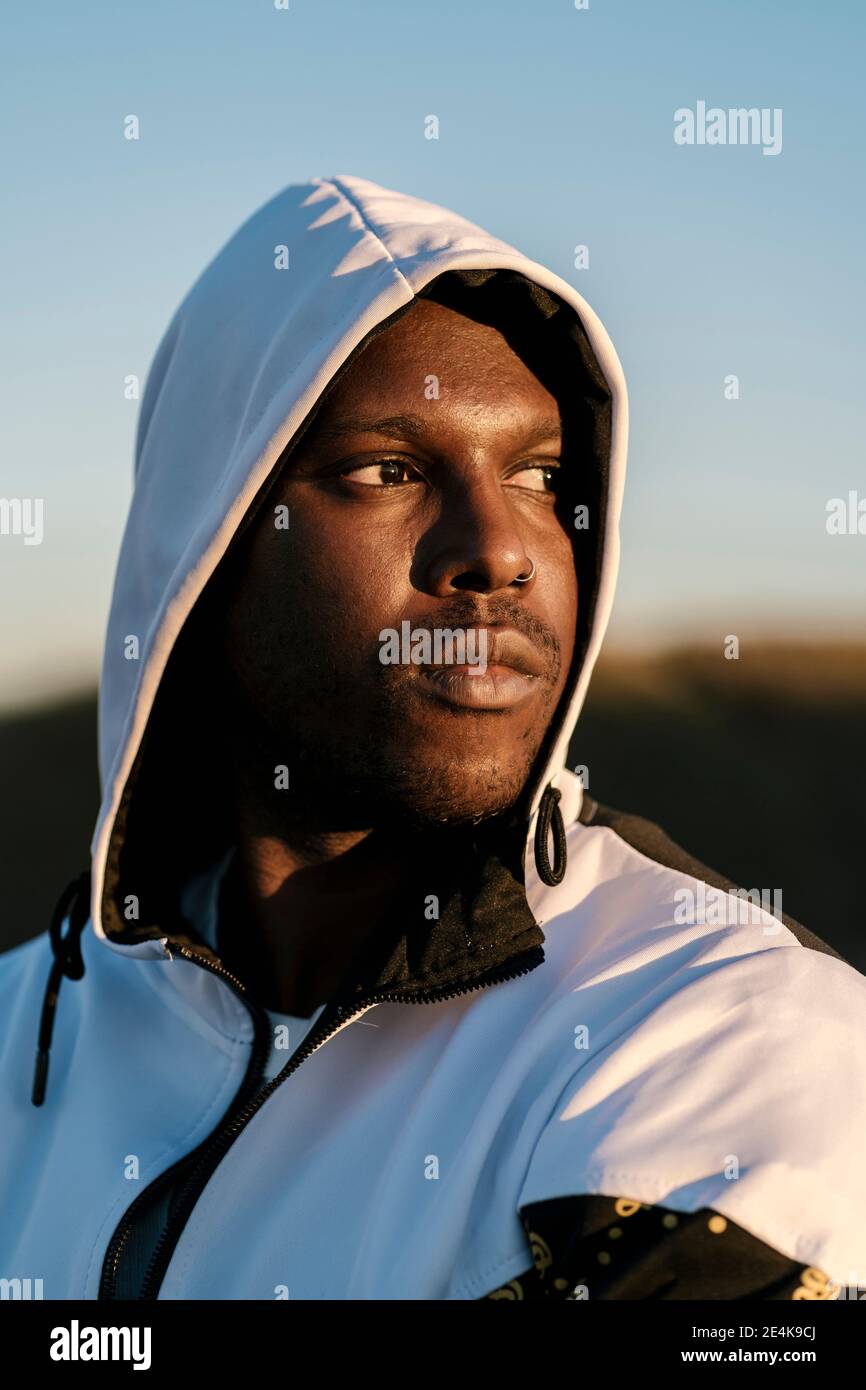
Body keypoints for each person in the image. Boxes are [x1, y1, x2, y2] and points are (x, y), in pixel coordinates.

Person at [1, 174, 863, 1301]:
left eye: (539, 477)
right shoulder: (29, 1028)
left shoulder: (715, 1036)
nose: (499, 549)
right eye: (389, 470)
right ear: (204, 553)